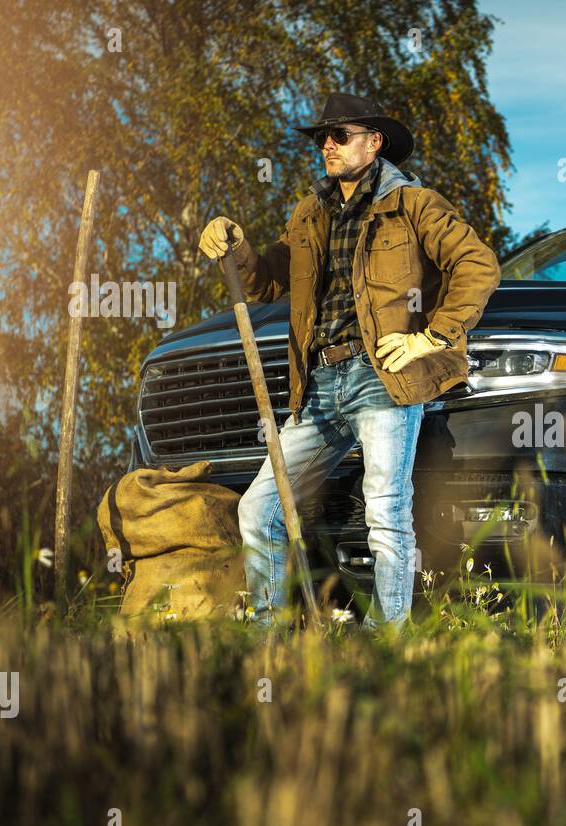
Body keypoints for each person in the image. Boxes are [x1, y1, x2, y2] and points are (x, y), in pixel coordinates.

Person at [197, 92, 501, 629]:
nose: (327, 147)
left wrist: (429, 338)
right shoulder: (311, 212)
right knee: (258, 509)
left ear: (374, 142)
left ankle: (391, 644)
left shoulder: (414, 205)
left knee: (385, 514)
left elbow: (477, 265)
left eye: (339, 136)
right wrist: (236, 247)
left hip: (381, 377)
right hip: (317, 386)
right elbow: (268, 279)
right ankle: (266, 645)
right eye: (321, 139)